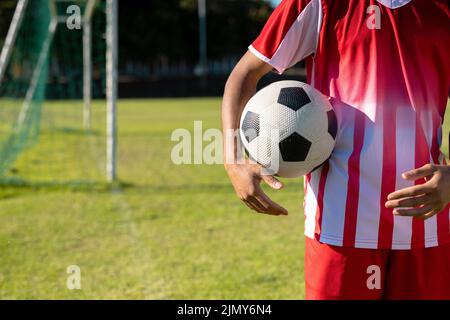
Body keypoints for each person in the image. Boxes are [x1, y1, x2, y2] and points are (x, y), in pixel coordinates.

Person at [221, 0, 450, 299]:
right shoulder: (319, 3)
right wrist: (233, 160)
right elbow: (245, 73)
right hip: (338, 227)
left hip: (427, 226)